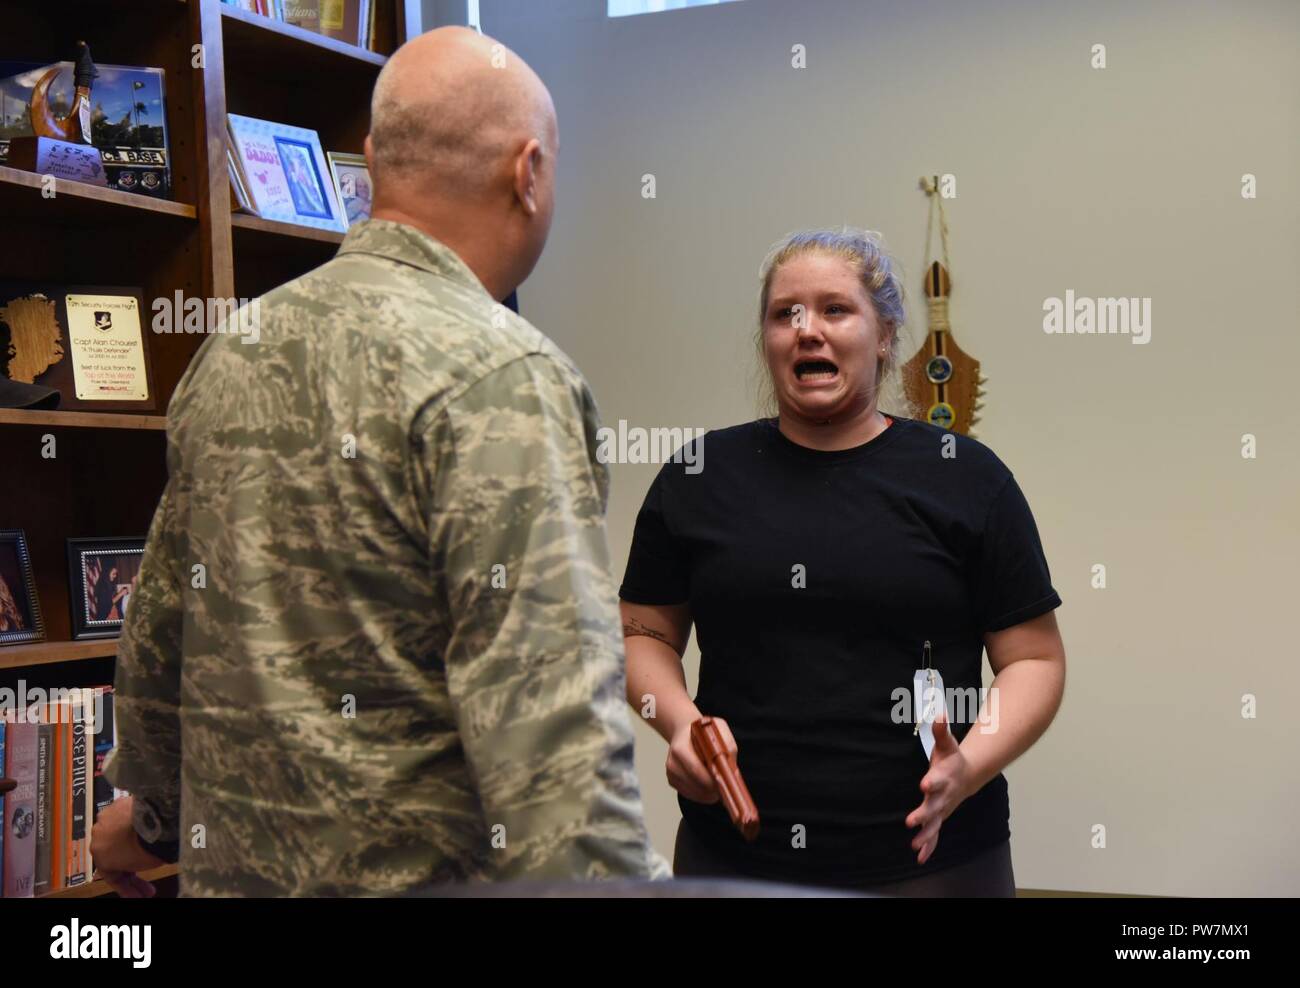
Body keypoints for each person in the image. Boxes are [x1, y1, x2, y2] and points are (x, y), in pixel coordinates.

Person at [91, 26, 666, 896]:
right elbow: (555, 746)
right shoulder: (504, 375)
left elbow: (163, 634)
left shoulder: (232, 350)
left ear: (371, 161)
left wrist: (157, 819)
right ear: (530, 171)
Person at [619, 229, 1066, 896]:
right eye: (785, 313)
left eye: (834, 310)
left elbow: (1033, 659)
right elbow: (644, 635)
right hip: (735, 859)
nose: (807, 330)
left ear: (884, 335)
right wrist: (681, 726)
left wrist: (968, 766)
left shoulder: (965, 478)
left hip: (932, 859)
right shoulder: (698, 475)